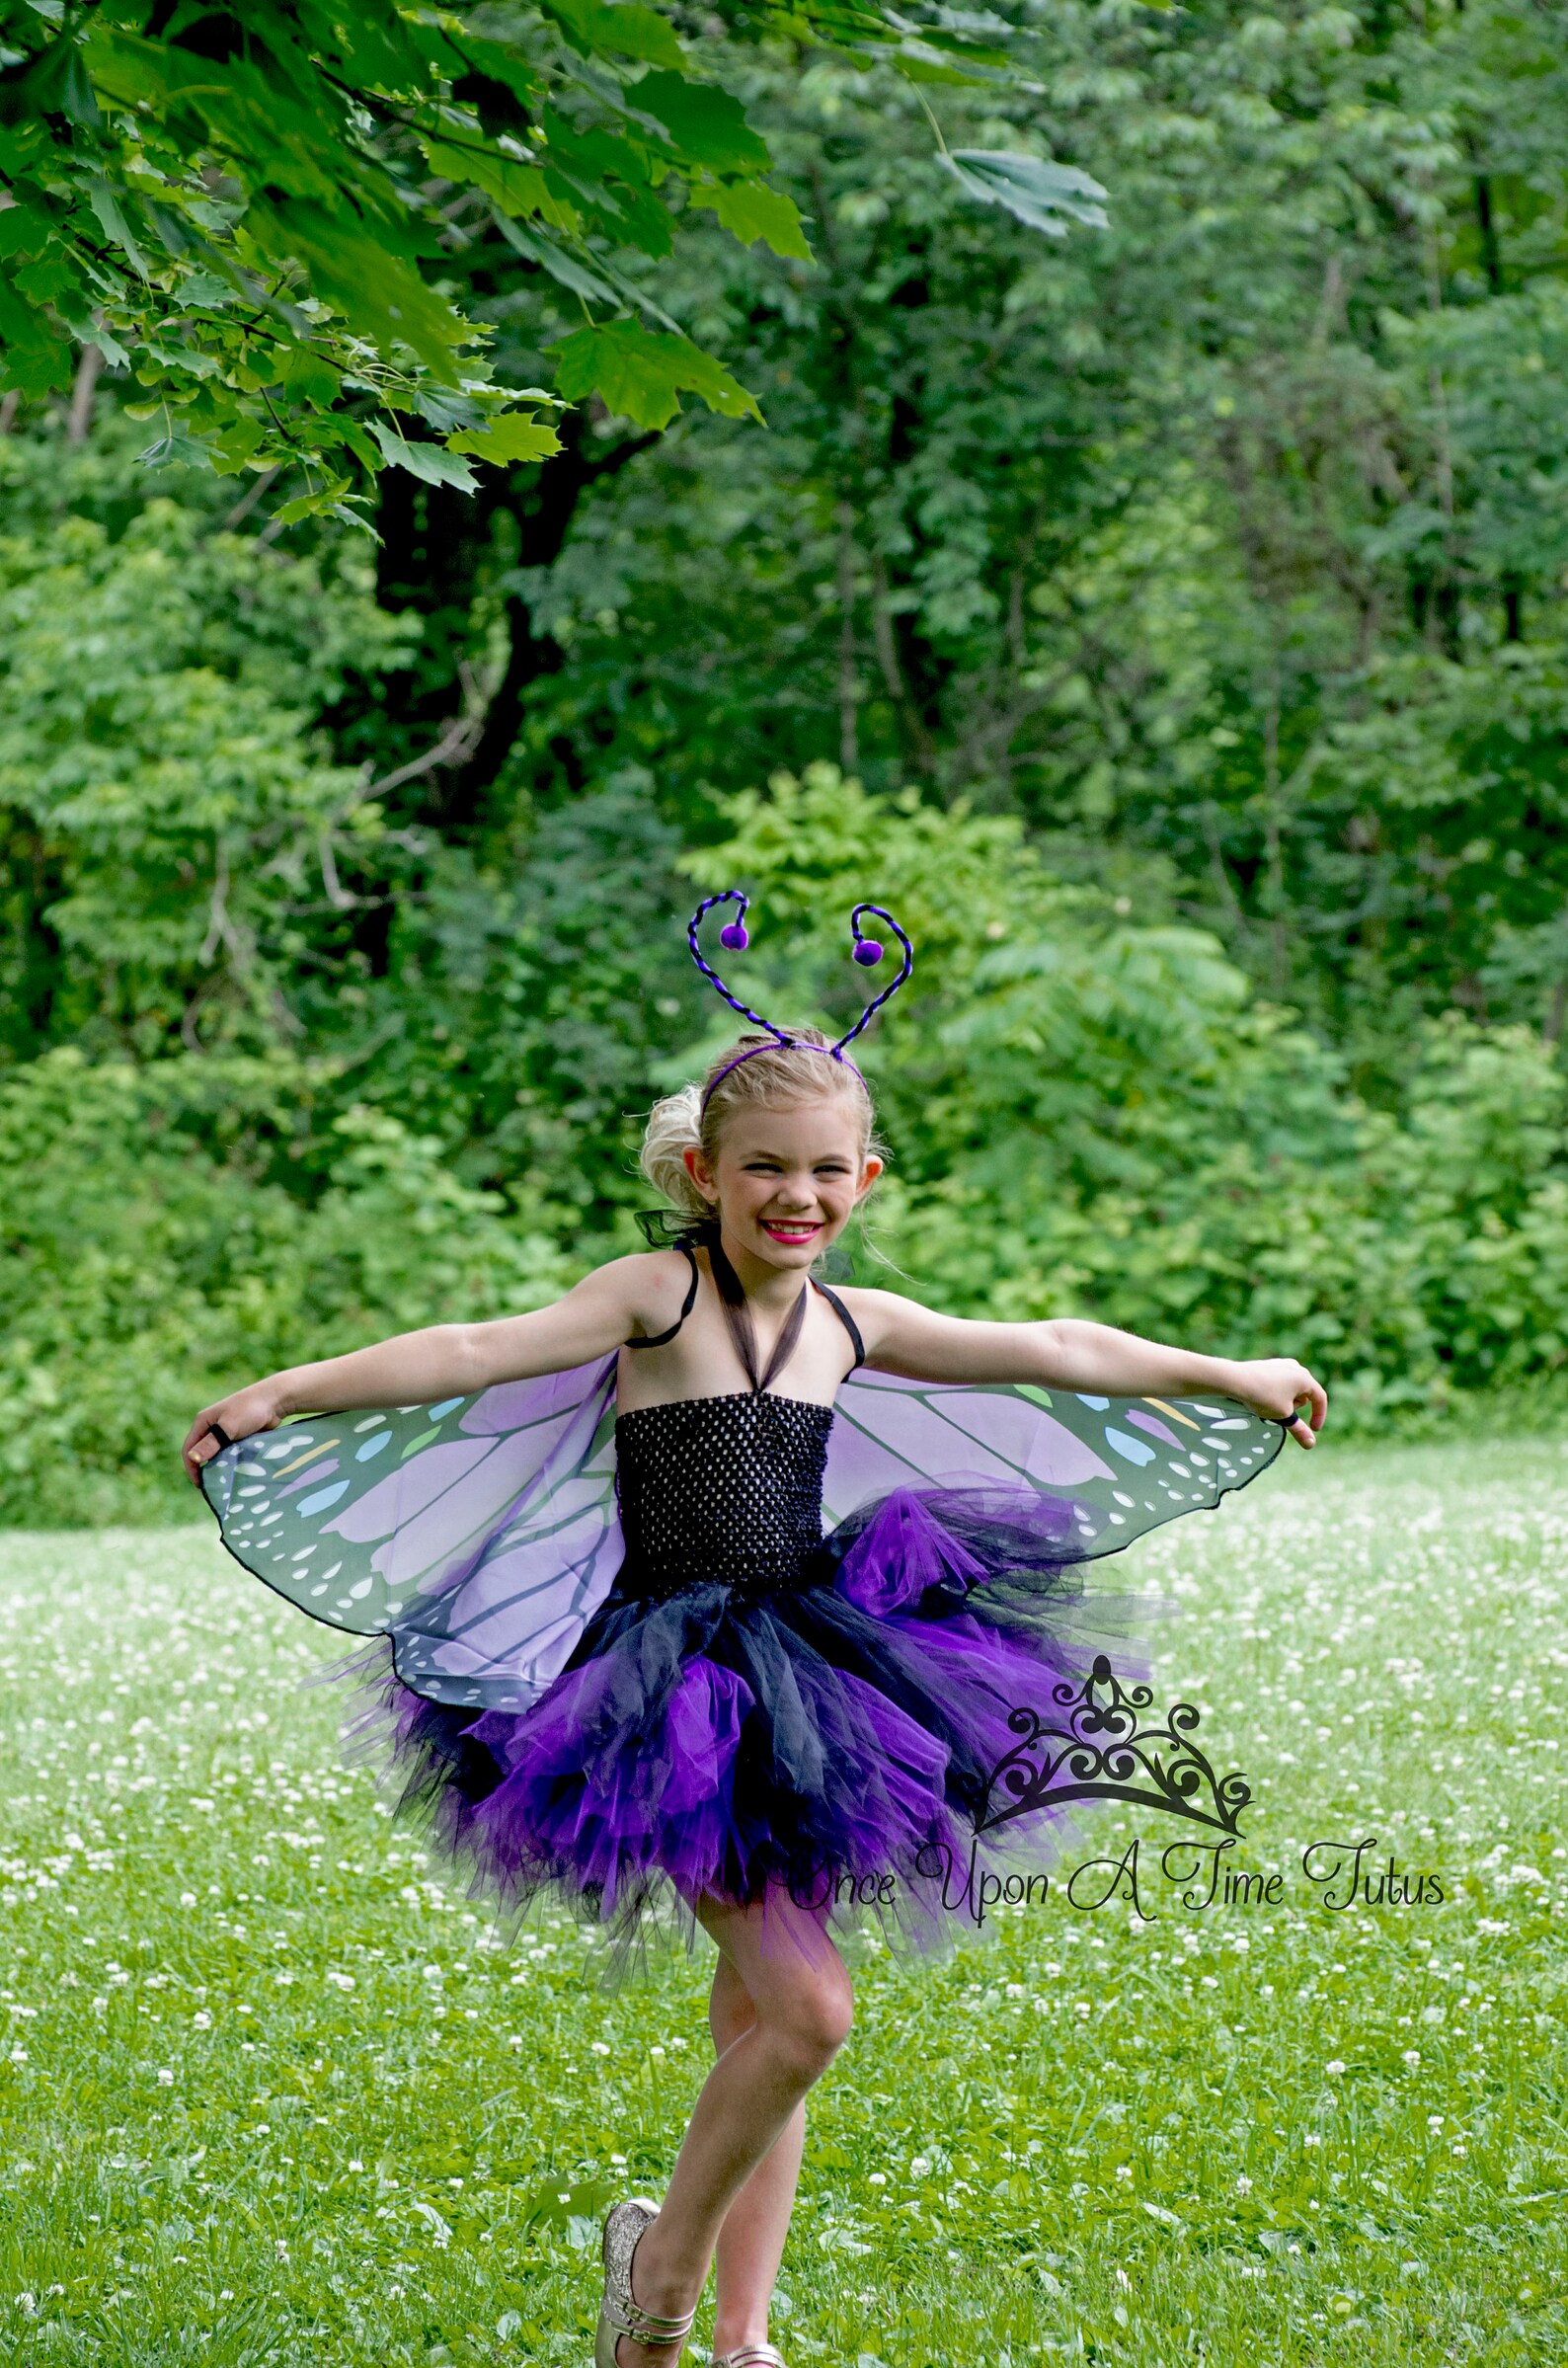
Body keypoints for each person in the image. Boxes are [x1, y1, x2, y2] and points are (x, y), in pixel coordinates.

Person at [184, 894, 1326, 2368]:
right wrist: (282, 1389)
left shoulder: (851, 1323)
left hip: (818, 1668)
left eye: (825, 1170)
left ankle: (740, 2336)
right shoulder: (656, 1297)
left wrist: (1230, 1367)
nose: (797, 1195)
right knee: (809, 2009)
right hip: (670, 1687)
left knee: (757, 2022)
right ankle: (652, 2284)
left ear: (867, 1176)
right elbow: (470, 1350)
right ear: (702, 1171)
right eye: (764, 1169)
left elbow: (1058, 1347)